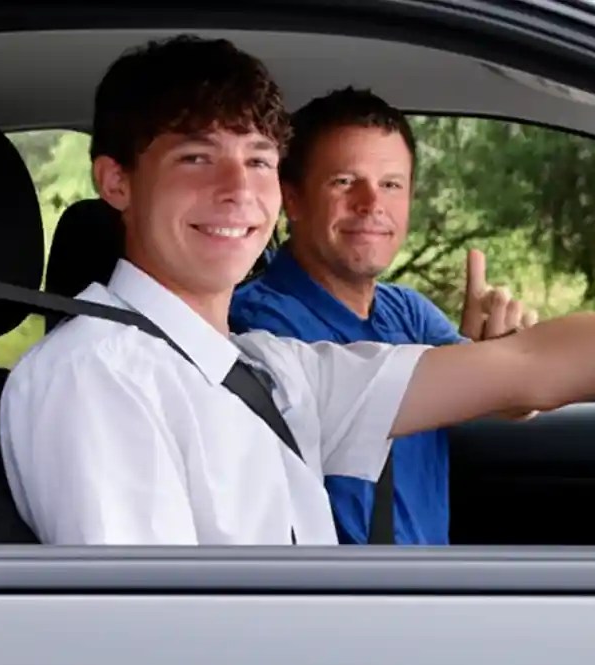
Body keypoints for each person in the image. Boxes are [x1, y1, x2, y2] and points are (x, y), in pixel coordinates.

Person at [0, 34, 595, 546]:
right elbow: (143, 652)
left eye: (255, 159)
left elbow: (534, 368)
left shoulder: (267, 368)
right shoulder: (98, 376)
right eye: (196, 158)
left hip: (342, 658)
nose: (238, 192)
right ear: (116, 181)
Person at [229, 88, 537, 545]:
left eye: (391, 185)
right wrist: (509, 368)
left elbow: (513, 402)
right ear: (291, 200)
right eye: (344, 182)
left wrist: (501, 354)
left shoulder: (409, 312)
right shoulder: (255, 325)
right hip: (342, 587)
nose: (371, 203)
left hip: (426, 581)